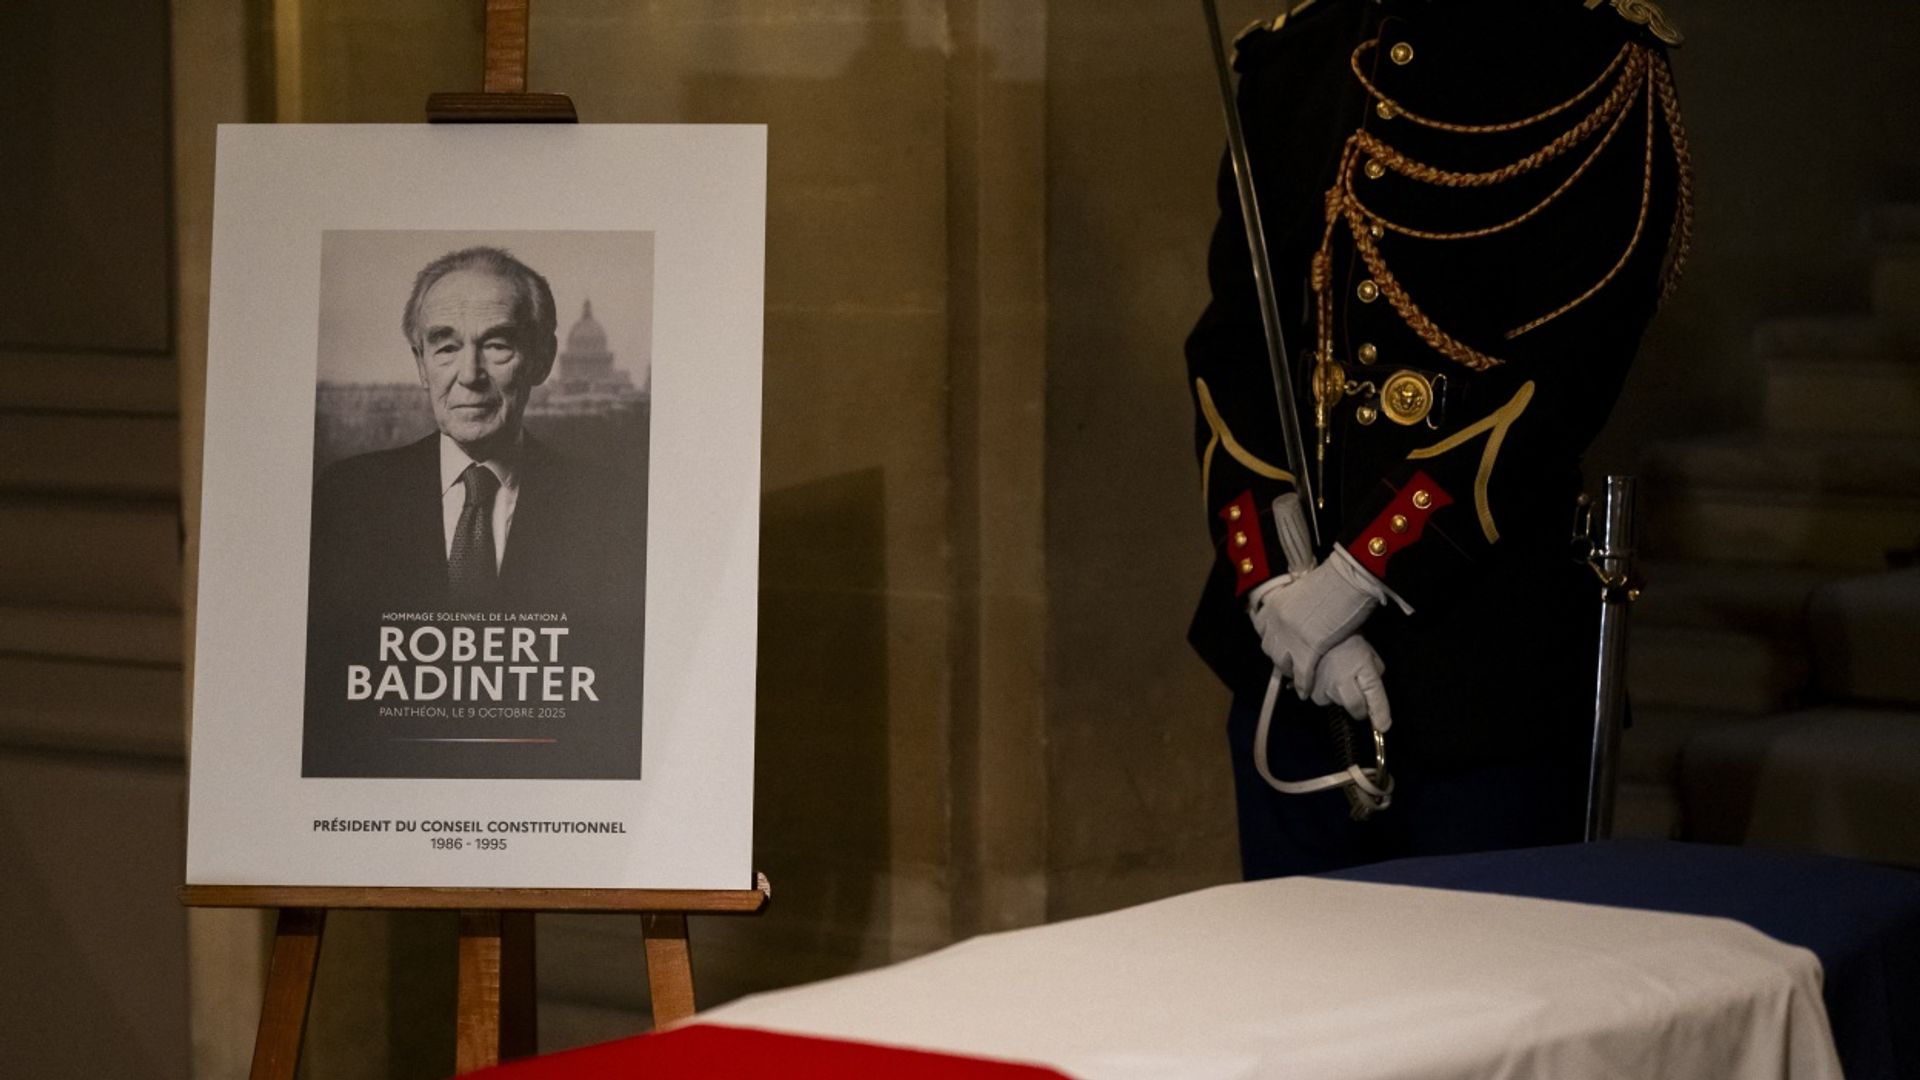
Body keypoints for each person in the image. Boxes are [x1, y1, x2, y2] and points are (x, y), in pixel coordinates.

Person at [1185, 0, 1690, 878]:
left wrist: (1361, 575)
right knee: (1289, 963)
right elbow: (1234, 345)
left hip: (1483, 666)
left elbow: (1563, 375)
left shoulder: (1592, 53)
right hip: (1289, 663)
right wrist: (1276, 584)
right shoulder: (1292, 56)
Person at [302, 246, 645, 779]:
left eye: (498, 346)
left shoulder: (613, 511)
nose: (470, 375)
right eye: (445, 348)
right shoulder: (346, 500)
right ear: (420, 364)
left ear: (542, 359)